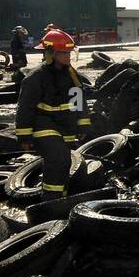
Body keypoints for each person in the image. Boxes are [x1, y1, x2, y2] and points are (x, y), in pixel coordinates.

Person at [14, 28, 91, 201]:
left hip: (66, 127)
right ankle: (50, 200)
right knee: (58, 158)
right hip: (44, 126)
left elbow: (79, 102)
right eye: (63, 53)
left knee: (65, 163)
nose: (67, 57)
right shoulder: (35, 78)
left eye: (69, 53)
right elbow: (25, 108)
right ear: (50, 53)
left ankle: (60, 200)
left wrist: (83, 125)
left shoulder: (73, 76)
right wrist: (24, 137)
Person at [10, 25, 29, 93]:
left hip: (21, 58)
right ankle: (18, 82)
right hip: (19, 59)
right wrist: (19, 60)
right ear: (18, 33)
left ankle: (19, 81)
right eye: (21, 33)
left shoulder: (18, 39)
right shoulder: (15, 40)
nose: (22, 34)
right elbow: (15, 52)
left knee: (21, 70)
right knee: (19, 70)